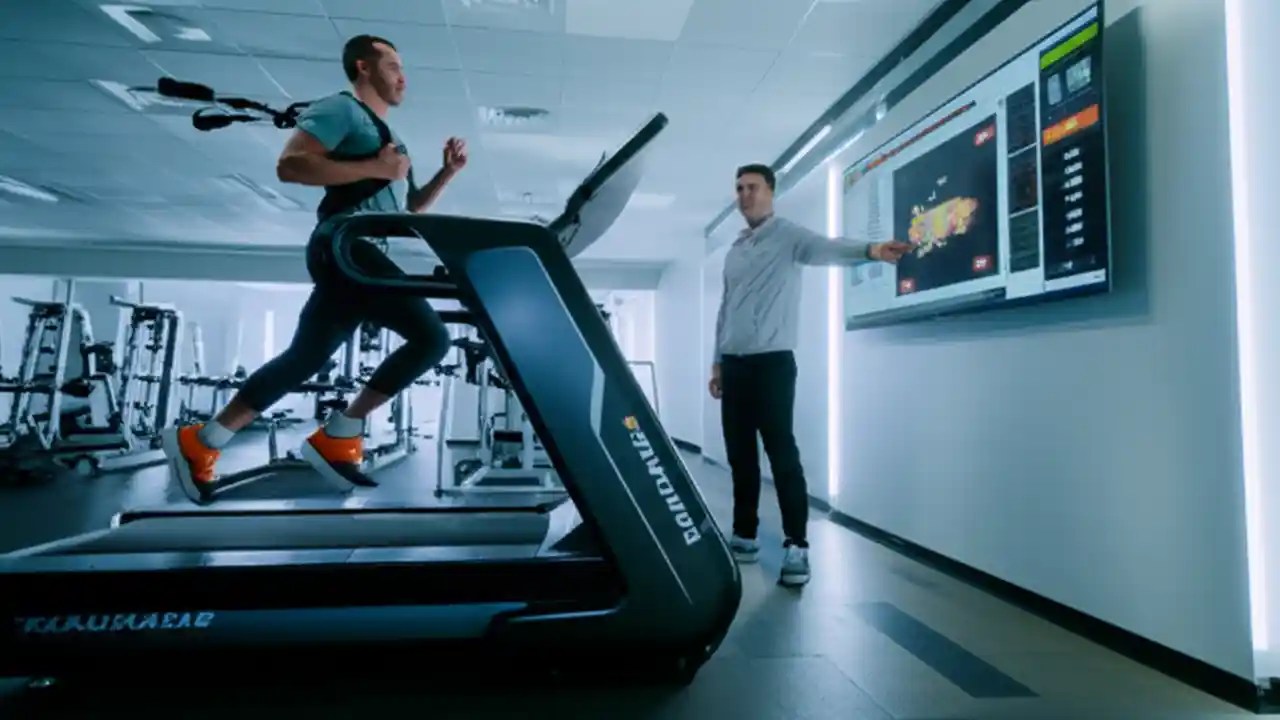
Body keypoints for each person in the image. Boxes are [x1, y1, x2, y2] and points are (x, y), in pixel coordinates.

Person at [162, 34, 467, 503]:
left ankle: (202, 442)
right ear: (363, 68)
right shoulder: (340, 109)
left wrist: (445, 175)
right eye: (392, 65)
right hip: (345, 242)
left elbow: (407, 208)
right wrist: (376, 168)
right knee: (432, 338)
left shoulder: (392, 138)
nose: (402, 76)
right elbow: (291, 165)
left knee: (306, 358)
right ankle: (339, 434)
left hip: (360, 247)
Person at [709, 163, 913, 587]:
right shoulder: (735, 250)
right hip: (735, 365)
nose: (744, 195)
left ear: (771, 192)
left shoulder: (788, 237)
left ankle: (796, 544)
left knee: (781, 453)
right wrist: (717, 362)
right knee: (740, 455)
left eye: (753, 188)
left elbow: (828, 247)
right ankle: (744, 535)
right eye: (740, 188)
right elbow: (725, 309)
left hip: (772, 365)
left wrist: (871, 250)